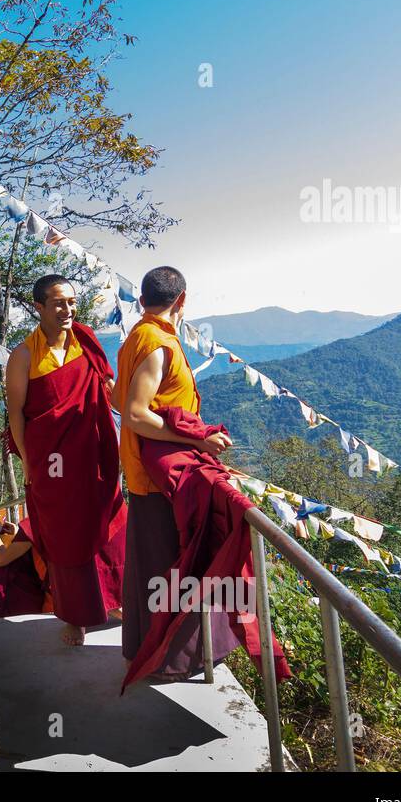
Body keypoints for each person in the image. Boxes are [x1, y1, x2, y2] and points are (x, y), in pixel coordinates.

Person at [112, 266, 243, 680]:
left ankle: (147, 652)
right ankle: (164, 659)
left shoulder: (137, 336)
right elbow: (134, 413)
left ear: (142, 300)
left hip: (150, 475)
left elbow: (119, 400)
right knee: (169, 571)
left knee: (153, 570)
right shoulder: (155, 343)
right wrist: (199, 440)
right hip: (160, 482)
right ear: (182, 300)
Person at [5, 275, 127, 645]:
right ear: (39, 307)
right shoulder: (24, 356)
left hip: (94, 456)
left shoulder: (86, 343)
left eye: (72, 302)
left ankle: (116, 598)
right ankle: (76, 617)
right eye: (59, 303)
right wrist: (28, 463)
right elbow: (16, 415)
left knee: (110, 527)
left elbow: (109, 393)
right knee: (65, 540)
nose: (68, 310)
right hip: (51, 465)